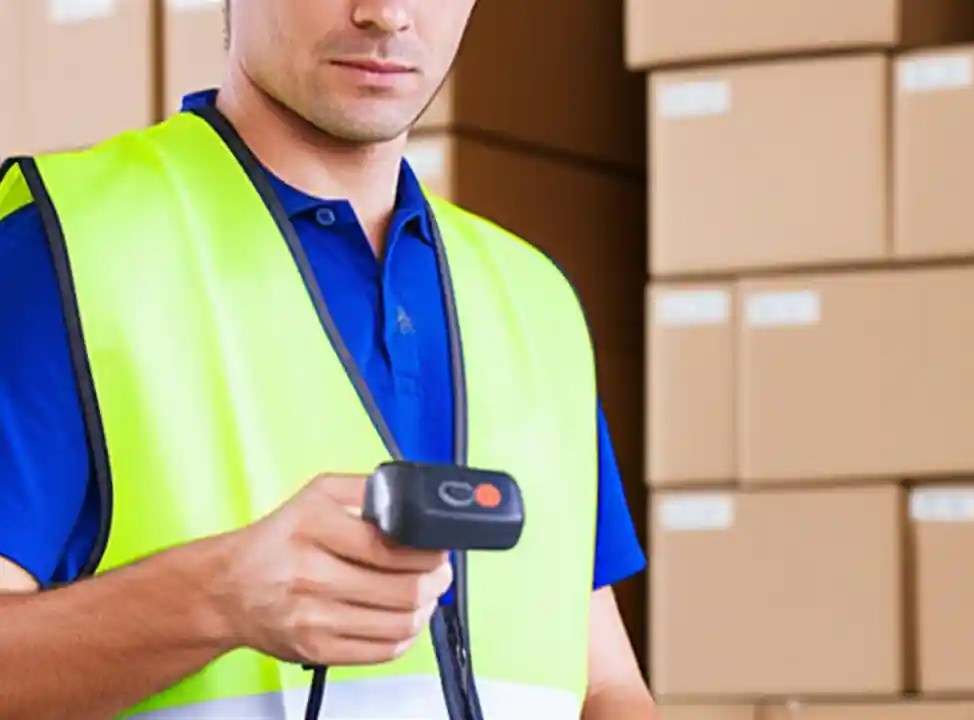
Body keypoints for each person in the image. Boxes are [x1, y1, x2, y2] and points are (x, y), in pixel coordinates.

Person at [0, 1, 657, 718]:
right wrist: (217, 597)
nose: (386, 13)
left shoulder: (534, 299)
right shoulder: (59, 248)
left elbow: (603, 684)